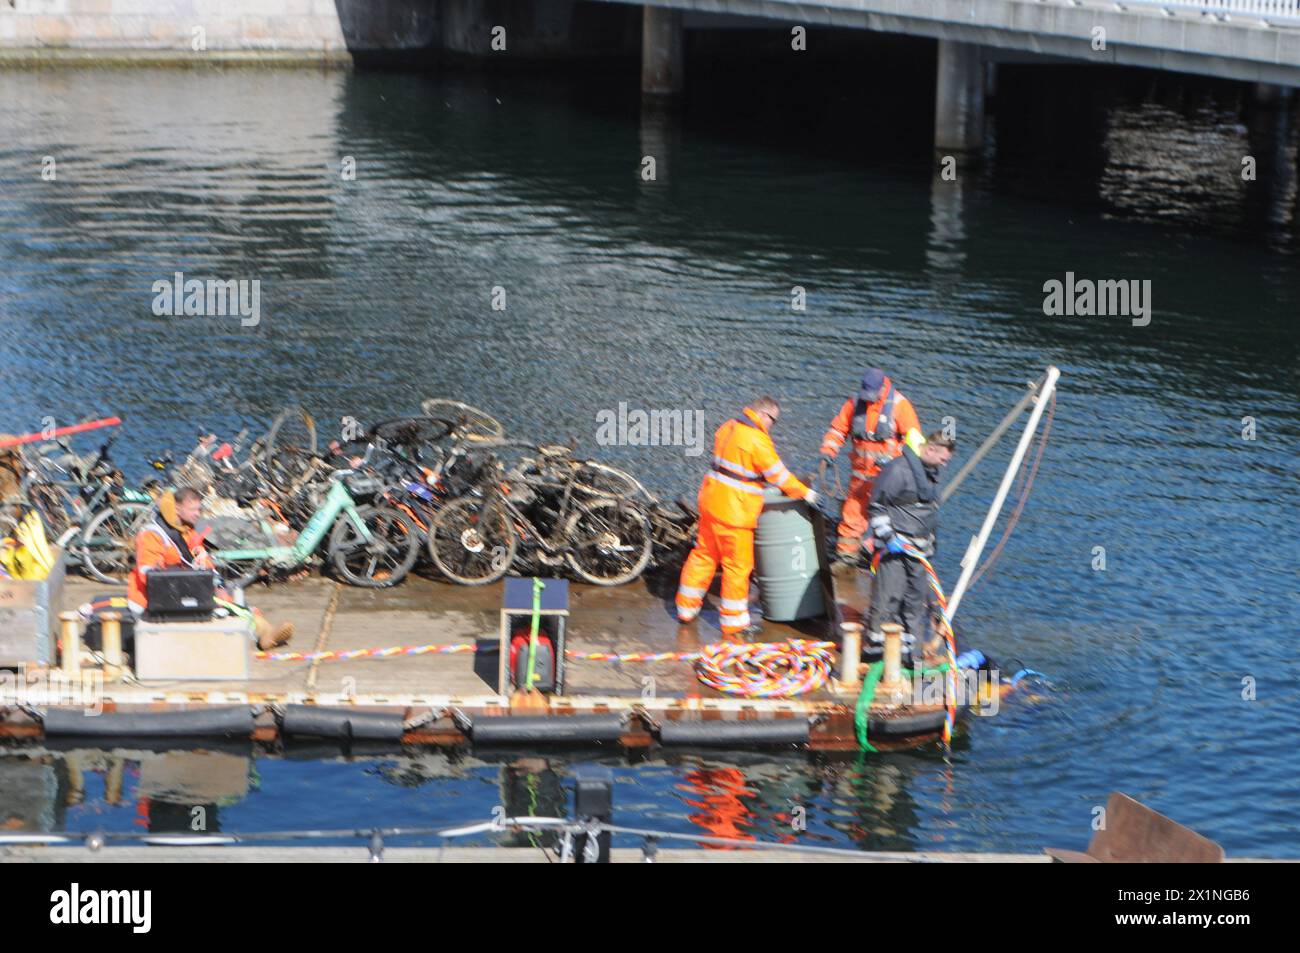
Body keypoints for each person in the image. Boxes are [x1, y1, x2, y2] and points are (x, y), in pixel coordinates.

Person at [676, 397, 825, 640]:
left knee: (703, 555)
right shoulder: (757, 440)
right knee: (737, 567)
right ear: (765, 416)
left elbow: (734, 466)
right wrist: (807, 493)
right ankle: (734, 623)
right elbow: (779, 476)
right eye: (773, 421)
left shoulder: (728, 427)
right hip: (736, 514)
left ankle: (685, 608)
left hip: (710, 502)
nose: (771, 426)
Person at [126, 487, 292, 651]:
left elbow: (203, 563)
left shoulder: (186, 532)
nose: (198, 514)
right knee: (224, 606)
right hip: (149, 600)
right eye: (193, 510)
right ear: (177, 509)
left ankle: (263, 630)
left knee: (231, 596)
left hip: (175, 592)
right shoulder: (152, 535)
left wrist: (217, 586)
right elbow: (149, 576)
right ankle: (263, 633)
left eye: (199, 509)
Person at [819, 368, 925, 561]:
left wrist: (897, 458)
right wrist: (828, 452)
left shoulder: (900, 406)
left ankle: (878, 559)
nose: (869, 399)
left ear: (883, 387)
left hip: (888, 479)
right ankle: (846, 558)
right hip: (860, 478)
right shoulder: (854, 403)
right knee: (851, 517)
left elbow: (915, 442)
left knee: (886, 520)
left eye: (872, 395)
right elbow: (838, 430)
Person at [865, 432, 956, 656]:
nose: (945, 465)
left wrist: (931, 546)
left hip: (920, 553)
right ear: (930, 450)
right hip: (894, 550)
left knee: (915, 603)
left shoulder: (930, 473)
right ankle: (876, 653)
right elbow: (876, 507)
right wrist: (889, 538)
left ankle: (910, 656)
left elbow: (929, 513)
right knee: (888, 599)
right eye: (943, 459)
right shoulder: (897, 470)